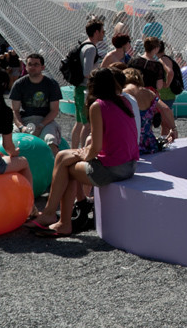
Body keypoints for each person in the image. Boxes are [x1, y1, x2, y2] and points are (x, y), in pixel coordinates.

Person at [31, 68, 140, 237]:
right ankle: (52, 214)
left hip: (114, 168)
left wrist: (82, 154)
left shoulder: (98, 106)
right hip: (129, 164)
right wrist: (83, 153)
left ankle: (59, 220)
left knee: (66, 168)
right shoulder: (122, 102)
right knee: (62, 156)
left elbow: (95, 147)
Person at [9, 52, 63, 156]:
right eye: (30, 64)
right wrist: (21, 127)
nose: (32, 67)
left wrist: (40, 126)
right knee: (11, 140)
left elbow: (54, 110)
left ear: (43, 67)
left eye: (36, 64)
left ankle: (56, 169)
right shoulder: (19, 84)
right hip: (24, 120)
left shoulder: (51, 84)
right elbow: (15, 110)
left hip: (45, 120)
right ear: (26, 66)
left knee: (50, 139)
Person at [121, 66, 177, 152]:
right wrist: (173, 129)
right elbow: (166, 109)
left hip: (129, 143)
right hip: (148, 143)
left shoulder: (122, 94)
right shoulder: (150, 93)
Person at [72, 18, 105, 150]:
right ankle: (82, 151)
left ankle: (74, 149)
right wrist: (99, 72)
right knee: (87, 124)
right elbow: (87, 72)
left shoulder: (84, 45)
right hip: (86, 89)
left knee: (79, 122)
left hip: (80, 88)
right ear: (96, 32)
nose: (104, 34)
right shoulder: (91, 48)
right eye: (103, 31)